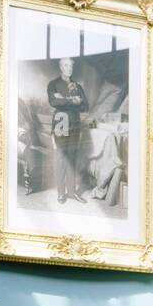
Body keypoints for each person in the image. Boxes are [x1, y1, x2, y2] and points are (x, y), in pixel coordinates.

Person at [46, 57, 89, 203]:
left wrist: (63, 99)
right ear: (61, 67)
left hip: (75, 124)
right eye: (66, 65)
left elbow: (84, 106)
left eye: (70, 65)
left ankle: (71, 192)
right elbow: (53, 102)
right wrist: (73, 100)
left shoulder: (78, 86)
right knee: (61, 159)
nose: (68, 68)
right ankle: (60, 193)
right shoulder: (53, 84)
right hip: (60, 124)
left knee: (72, 159)